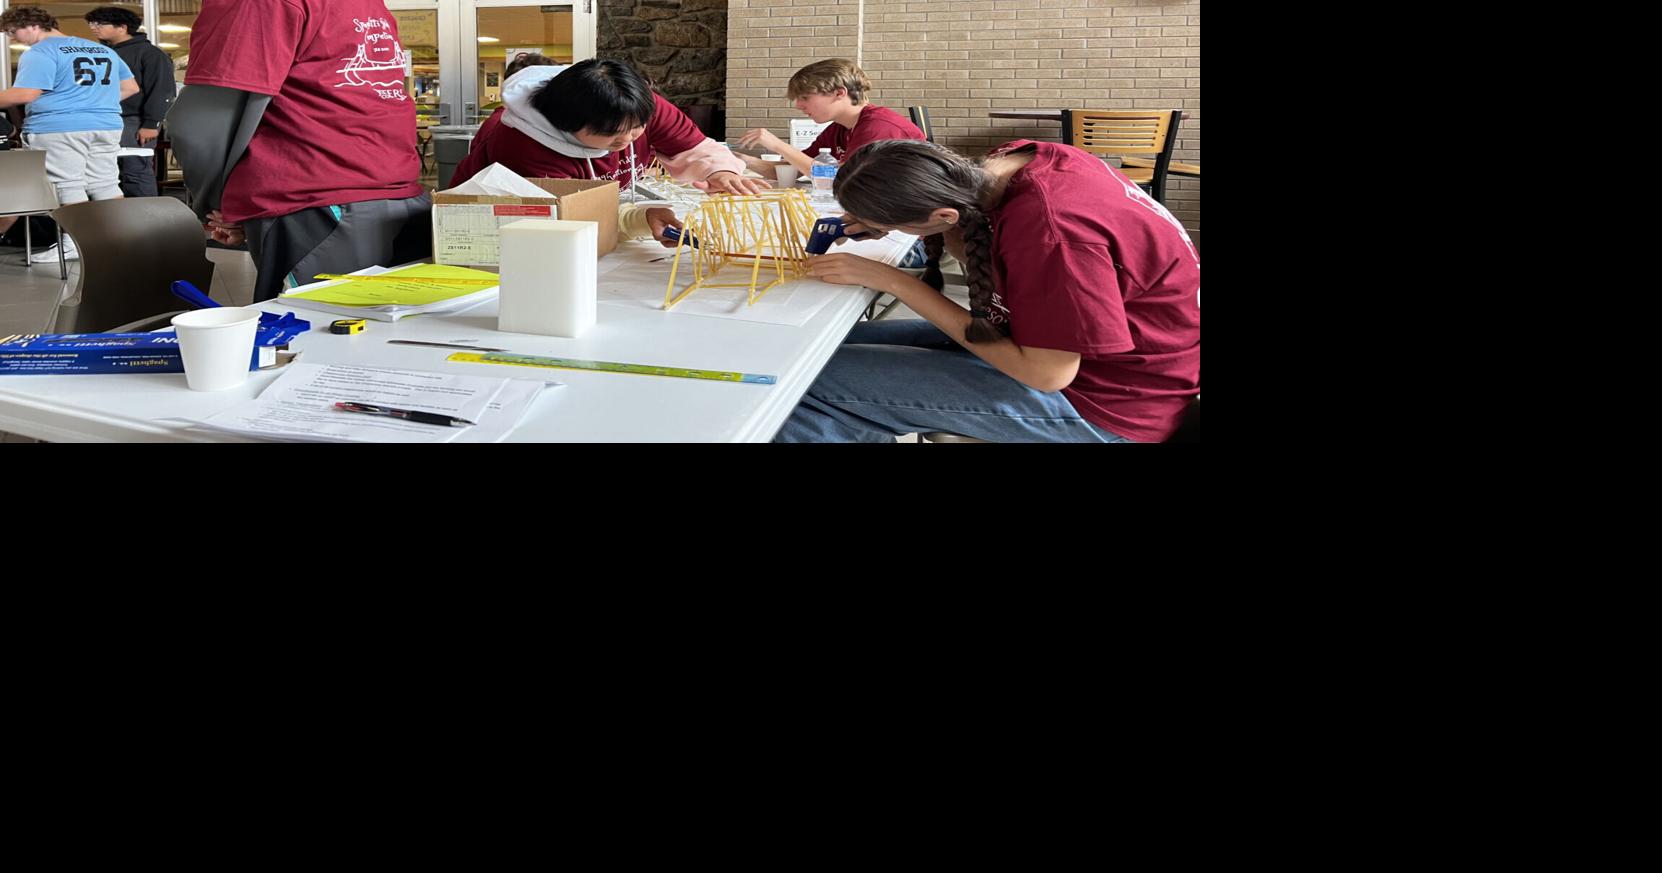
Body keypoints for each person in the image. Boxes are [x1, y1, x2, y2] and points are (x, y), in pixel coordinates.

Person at [774, 139, 1201, 443]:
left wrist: (891, 279)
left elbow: (1047, 375)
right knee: (827, 346)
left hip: (1109, 408)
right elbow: (990, 253)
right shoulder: (1013, 163)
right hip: (1074, 359)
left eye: (899, 226)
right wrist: (885, 220)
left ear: (943, 214)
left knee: (804, 378)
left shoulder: (1051, 235)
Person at [167, 0, 429, 302]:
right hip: (393, 194)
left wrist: (218, 207)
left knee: (317, 337)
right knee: (372, 338)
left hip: (316, 200)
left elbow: (202, 123)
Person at [450, 59, 764, 199]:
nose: (628, 138)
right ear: (566, 122)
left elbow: (695, 147)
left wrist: (720, 172)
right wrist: (639, 218)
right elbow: (565, 216)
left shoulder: (638, 105)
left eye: (637, 127)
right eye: (612, 133)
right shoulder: (524, 143)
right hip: (493, 221)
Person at [0, 5, 137, 263]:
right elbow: (130, 87)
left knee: (68, 184)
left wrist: (70, 106)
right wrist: (92, 103)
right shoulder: (102, 49)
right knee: (105, 183)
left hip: (59, 127)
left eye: (12, 30)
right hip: (106, 124)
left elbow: (24, 94)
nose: (12, 37)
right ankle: (121, 240)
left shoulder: (40, 52)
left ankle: (75, 244)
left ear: (32, 25)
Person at [736, 58, 924, 179]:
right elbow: (799, 167)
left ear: (839, 93)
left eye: (805, 97)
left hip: (906, 230)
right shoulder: (839, 127)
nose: (798, 105)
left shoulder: (879, 127)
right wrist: (741, 160)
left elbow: (842, 178)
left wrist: (778, 145)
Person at [84, 6, 174, 197]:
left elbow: (162, 91)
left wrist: (151, 124)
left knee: (135, 172)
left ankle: (147, 223)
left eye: (99, 23)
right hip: (104, 121)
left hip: (135, 121)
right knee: (107, 177)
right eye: (91, 23)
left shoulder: (150, 53)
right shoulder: (102, 53)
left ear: (122, 27)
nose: (93, 28)